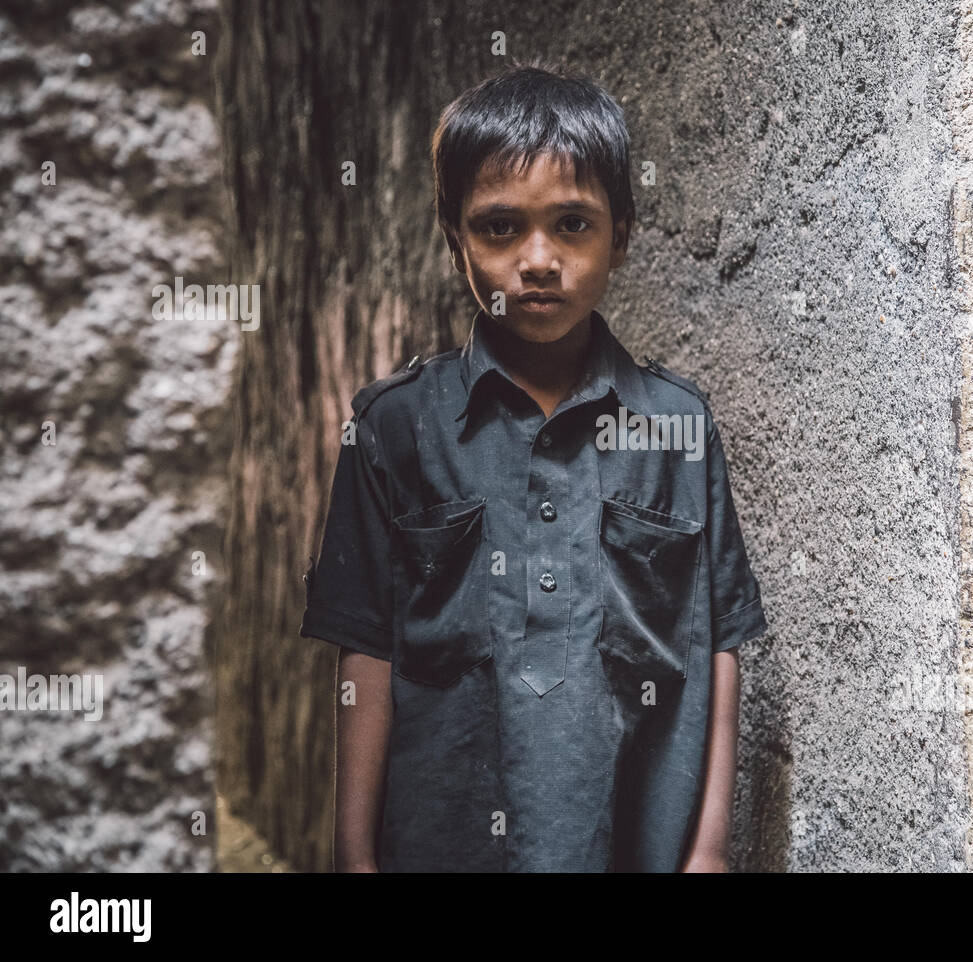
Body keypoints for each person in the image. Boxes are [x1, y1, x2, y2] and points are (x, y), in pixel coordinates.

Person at [299, 63, 767, 872]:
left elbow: (716, 639)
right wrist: (354, 857)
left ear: (621, 235)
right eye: (500, 227)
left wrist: (711, 849)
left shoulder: (676, 426)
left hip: (633, 841)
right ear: (456, 243)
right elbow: (364, 651)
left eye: (573, 225)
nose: (539, 259)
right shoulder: (395, 426)